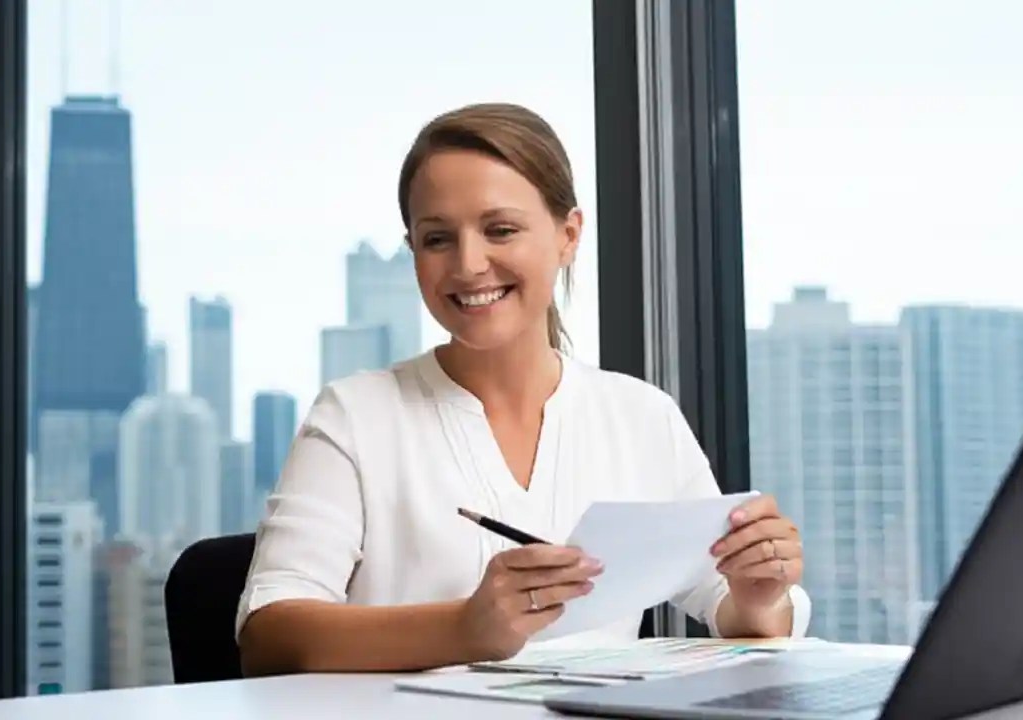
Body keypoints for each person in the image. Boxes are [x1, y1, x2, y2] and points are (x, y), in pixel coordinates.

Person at [236, 102, 810, 677]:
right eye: (437, 239)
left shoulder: (640, 416)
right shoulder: (355, 415)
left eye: (500, 230)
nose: (468, 263)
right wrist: (464, 628)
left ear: (568, 235)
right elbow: (269, 632)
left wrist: (760, 596)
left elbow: (727, 605)